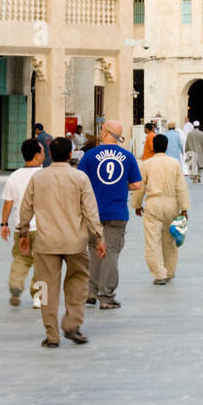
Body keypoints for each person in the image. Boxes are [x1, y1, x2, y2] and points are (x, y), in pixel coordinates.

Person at [16, 137, 104, 347]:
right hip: (75, 242)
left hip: (46, 243)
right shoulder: (80, 178)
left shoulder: (38, 178)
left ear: (49, 154)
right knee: (78, 282)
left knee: (46, 287)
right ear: (70, 154)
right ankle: (72, 324)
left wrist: (23, 232)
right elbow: (90, 211)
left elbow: (26, 207)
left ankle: (51, 334)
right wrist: (99, 236)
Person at [78, 119, 143, 311]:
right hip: (116, 212)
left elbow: (80, 182)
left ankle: (90, 292)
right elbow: (137, 184)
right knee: (111, 254)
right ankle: (106, 296)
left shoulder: (89, 156)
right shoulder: (128, 157)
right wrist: (122, 185)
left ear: (105, 132)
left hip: (93, 213)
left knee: (93, 251)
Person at [133, 134, 191, 285]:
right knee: (169, 240)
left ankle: (160, 274)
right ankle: (169, 271)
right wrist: (184, 208)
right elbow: (181, 187)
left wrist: (137, 204)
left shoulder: (147, 164)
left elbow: (140, 187)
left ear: (154, 146)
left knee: (153, 241)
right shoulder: (174, 164)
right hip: (172, 203)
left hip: (153, 203)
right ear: (166, 146)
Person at [0, 138, 43, 307]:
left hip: (21, 227)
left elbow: (8, 203)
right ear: (37, 155)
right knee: (43, 263)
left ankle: (16, 284)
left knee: (20, 258)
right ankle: (39, 298)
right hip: (42, 228)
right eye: (42, 152)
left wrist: (4, 224)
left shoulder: (14, 176)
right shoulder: (44, 175)